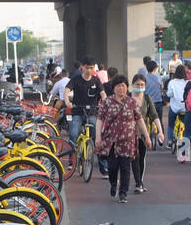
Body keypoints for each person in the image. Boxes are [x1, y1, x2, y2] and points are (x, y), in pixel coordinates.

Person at [96, 75, 151, 204]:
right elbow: (100, 119)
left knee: (125, 167)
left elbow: (140, 120)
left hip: (128, 141)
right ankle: (113, 183)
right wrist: (98, 137)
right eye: (118, 86)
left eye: (123, 86)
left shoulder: (132, 103)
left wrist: (147, 136)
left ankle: (123, 193)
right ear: (113, 88)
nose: (121, 88)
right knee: (113, 167)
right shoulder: (107, 102)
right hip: (111, 142)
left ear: (127, 87)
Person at [65, 56, 104, 154]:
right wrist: (67, 101)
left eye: (91, 68)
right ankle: (72, 159)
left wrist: (105, 102)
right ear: (82, 67)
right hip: (78, 112)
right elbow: (67, 89)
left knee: (98, 134)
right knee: (73, 134)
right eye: (87, 68)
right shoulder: (76, 79)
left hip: (92, 113)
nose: (89, 70)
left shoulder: (96, 80)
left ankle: (102, 159)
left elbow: (103, 93)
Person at [130, 73, 157, 192]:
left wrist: (160, 131)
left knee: (141, 158)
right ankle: (138, 183)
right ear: (132, 85)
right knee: (135, 157)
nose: (140, 86)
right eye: (137, 84)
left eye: (142, 84)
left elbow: (154, 115)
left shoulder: (147, 99)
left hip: (144, 133)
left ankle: (140, 181)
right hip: (129, 133)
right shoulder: (127, 98)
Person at [165, 64, 190, 157]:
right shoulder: (187, 82)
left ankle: (170, 140)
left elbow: (169, 94)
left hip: (174, 108)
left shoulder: (172, 82)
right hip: (185, 108)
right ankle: (184, 152)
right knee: (186, 128)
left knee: (171, 125)